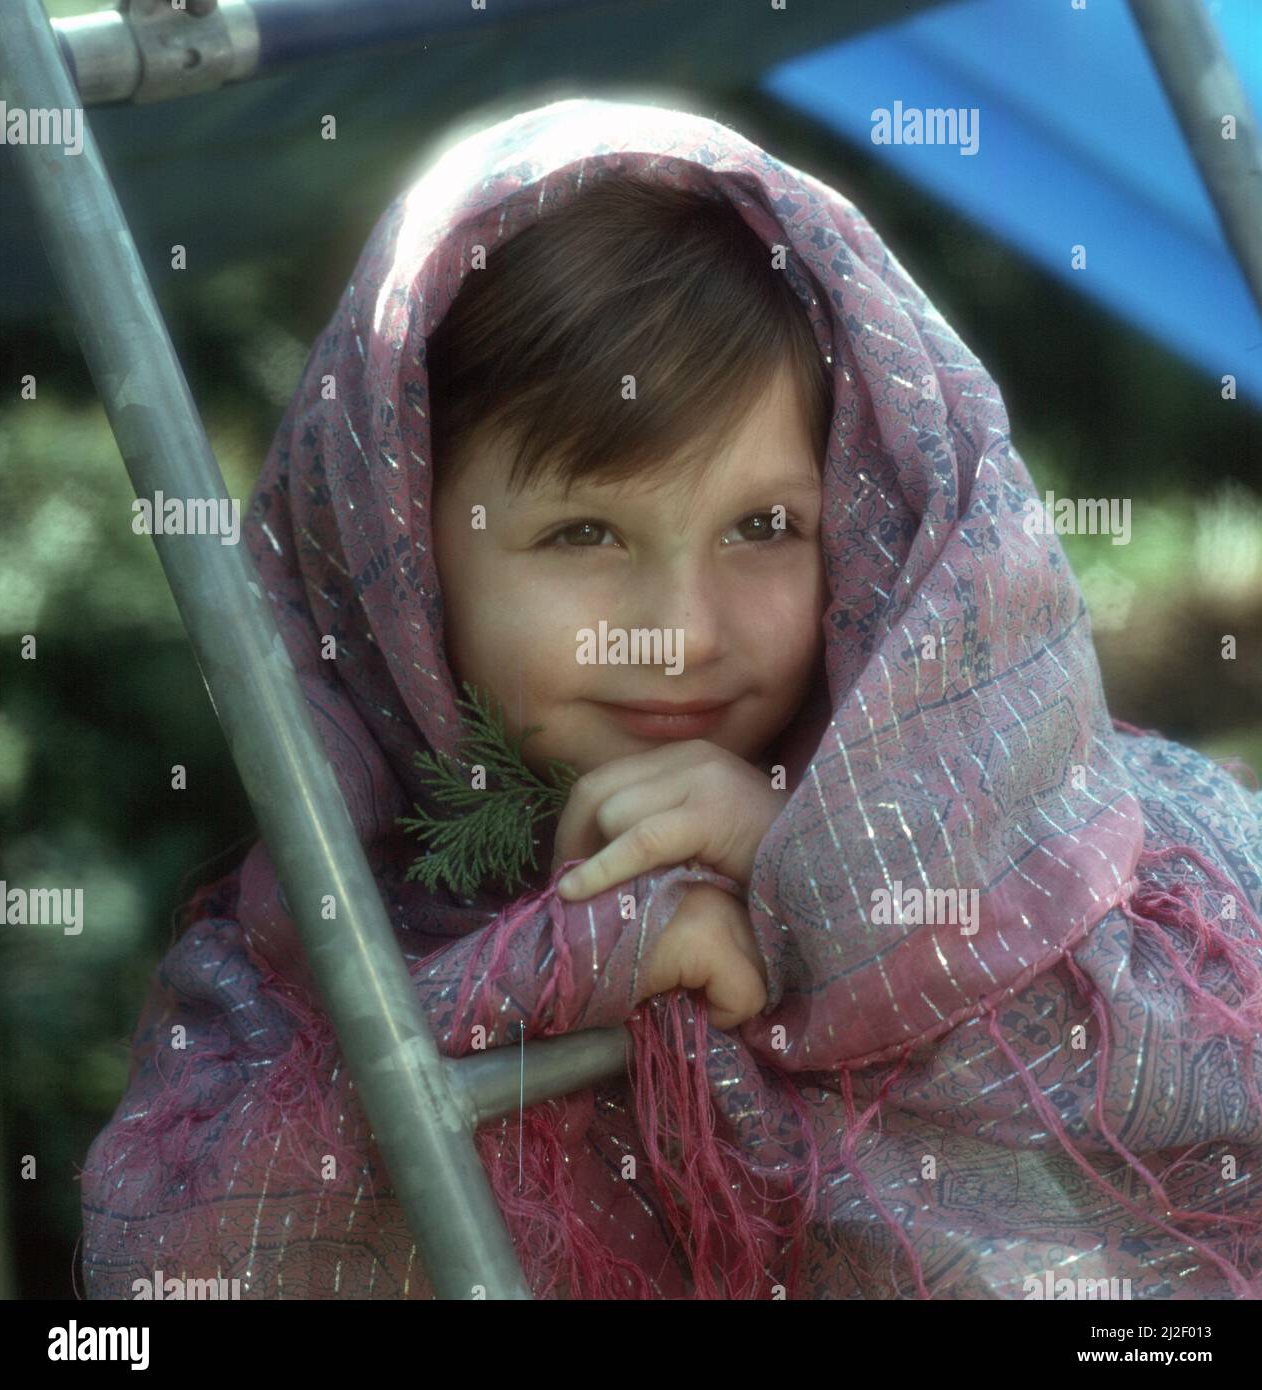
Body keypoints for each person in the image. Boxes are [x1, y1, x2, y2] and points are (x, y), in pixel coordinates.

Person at [80, 97, 1262, 1300]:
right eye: (582, 530)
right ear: (400, 561)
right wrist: (547, 970)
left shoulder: (1098, 861)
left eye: (764, 526)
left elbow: (1181, 1164)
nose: (683, 634)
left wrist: (838, 885)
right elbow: (178, 1272)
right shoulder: (297, 969)